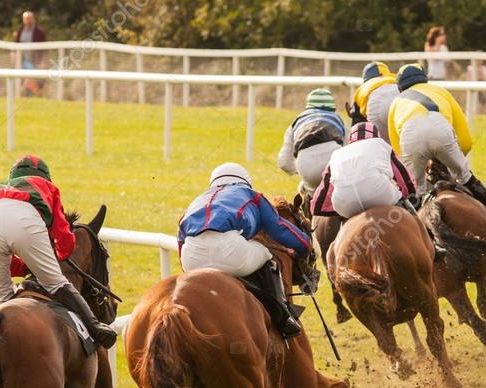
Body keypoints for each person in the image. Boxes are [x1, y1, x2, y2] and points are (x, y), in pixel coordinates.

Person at [0, 154, 118, 348]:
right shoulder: (48, 187)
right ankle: (96, 328)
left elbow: (8, 263)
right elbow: (64, 235)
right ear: (45, 177)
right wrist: (58, 256)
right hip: (25, 222)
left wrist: (29, 264)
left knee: (0, 300)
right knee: (56, 282)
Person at [178, 164, 311, 338]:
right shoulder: (253, 197)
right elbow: (280, 228)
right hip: (230, 253)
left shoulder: (195, 202)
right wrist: (303, 247)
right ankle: (284, 317)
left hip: (191, 258)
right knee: (267, 254)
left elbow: (181, 243)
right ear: (246, 183)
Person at [389, 63, 486, 233]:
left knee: (414, 193)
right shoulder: (440, 91)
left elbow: (398, 153)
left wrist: (423, 165)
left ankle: (410, 237)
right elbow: (466, 141)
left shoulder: (395, 103)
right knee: (466, 178)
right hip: (440, 130)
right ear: (425, 79)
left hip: (410, 138)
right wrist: (447, 160)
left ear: (400, 87)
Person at [311, 122, 416, 219]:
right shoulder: (380, 144)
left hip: (345, 205)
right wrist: (409, 193)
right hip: (380, 195)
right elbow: (402, 175)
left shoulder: (336, 154)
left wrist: (315, 207)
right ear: (375, 136)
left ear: (350, 140)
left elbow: (324, 191)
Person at [277, 88, 347, 195]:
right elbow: (349, 149)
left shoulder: (296, 123)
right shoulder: (339, 119)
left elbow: (283, 163)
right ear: (332, 108)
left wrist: (299, 171)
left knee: (312, 201)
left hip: (306, 166)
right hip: (335, 165)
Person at [350, 62, 399, 142]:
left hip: (376, 107)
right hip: (400, 100)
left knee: (381, 144)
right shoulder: (394, 80)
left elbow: (357, 126)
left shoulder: (363, 88)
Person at [14, 11, 47, 96]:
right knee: (27, 78)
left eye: (29, 18)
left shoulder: (39, 32)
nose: (28, 21)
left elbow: (44, 48)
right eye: (26, 19)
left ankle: (28, 94)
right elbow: (15, 45)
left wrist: (42, 61)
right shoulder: (20, 31)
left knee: (32, 78)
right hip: (22, 61)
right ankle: (28, 94)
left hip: (35, 61)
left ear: (33, 19)